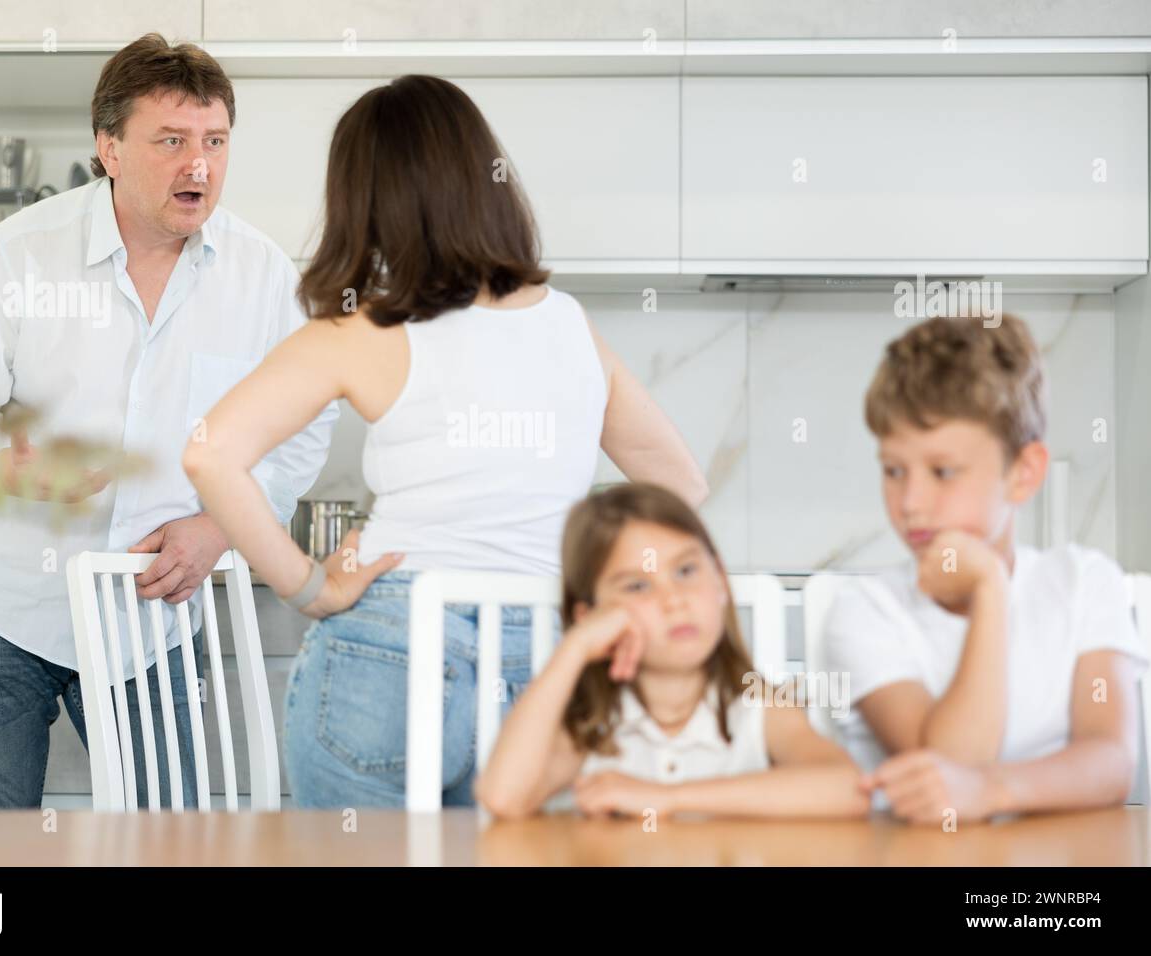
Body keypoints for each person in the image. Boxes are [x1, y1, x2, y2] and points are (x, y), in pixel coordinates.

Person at [184, 75, 707, 808]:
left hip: (390, 645)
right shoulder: (568, 325)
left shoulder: (363, 329)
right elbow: (681, 481)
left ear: (364, 200)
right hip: (540, 661)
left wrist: (308, 585)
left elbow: (210, 453)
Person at [0, 34, 337, 810]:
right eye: (170, 141)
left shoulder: (264, 276)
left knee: (165, 843)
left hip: (153, 618)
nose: (198, 164)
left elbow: (302, 424)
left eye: (213, 141)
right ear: (108, 147)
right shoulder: (19, 257)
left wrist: (219, 527)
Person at [823, 313, 1147, 824]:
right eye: (893, 471)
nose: (911, 502)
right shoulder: (865, 611)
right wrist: (991, 590)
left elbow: (1112, 760)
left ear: (1023, 474)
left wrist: (992, 790)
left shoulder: (1084, 583)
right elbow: (951, 766)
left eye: (942, 471)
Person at [475, 482, 867, 819]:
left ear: (719, 582)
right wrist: (575, 646)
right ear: (592, 617)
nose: (673, 600)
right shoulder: (593, 726)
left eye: (685, 571)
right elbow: (502, 796)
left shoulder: (757, 706)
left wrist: (666, 799)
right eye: (638, 586)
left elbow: (848, 789)